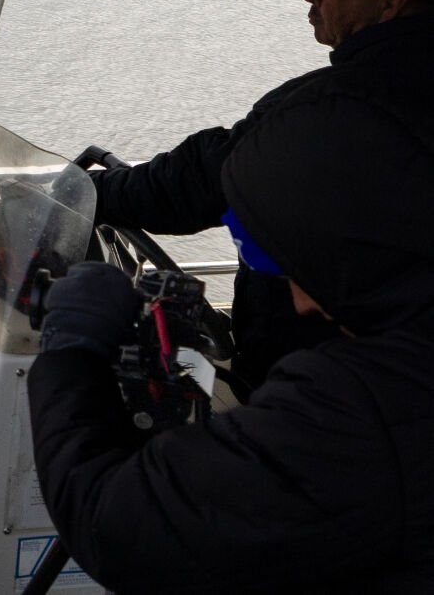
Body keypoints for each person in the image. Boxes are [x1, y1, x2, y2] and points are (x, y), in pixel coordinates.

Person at [28, 49, 434, 591]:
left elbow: (118, 529)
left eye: (288, 259)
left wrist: (72, 354)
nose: (300, 302)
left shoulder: (366, 408)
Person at [87, 0, 434, 385]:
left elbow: (201, 181)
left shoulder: (326, 106)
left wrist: (91, 194)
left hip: (318, 386)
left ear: (391, 2)